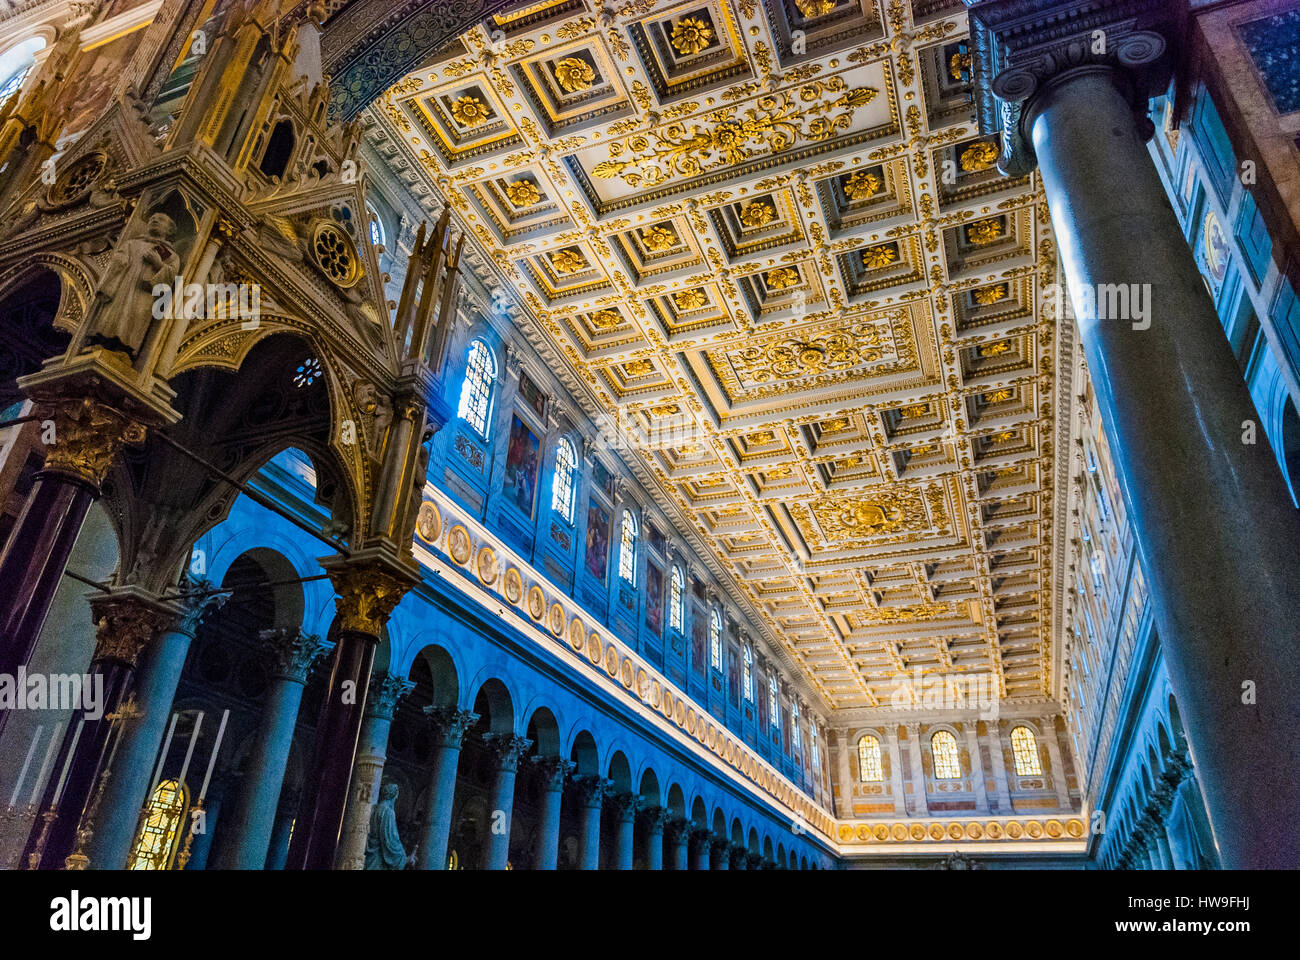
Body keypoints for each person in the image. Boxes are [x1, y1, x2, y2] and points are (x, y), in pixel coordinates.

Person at [88, 211, 180, 358]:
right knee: (113, 313)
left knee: (135, 317)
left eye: (160, 219)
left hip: (144, 293)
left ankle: (124, 351)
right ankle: (101, 341)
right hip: (123, 286)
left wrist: (158, 264)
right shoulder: (133, 243)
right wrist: (119, 259)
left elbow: (170, 277)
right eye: (152, 218)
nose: (154, 220)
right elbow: (118, 260)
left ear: (169, 230)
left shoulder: (172, 255)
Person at [364, 780, 409, 869]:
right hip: (378, 858)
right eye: (396, 796)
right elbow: (390, 841)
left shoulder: (374, 808)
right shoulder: (388, 812)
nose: (396, 799)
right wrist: (403, 857)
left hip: (370, 855)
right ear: (393, 796)